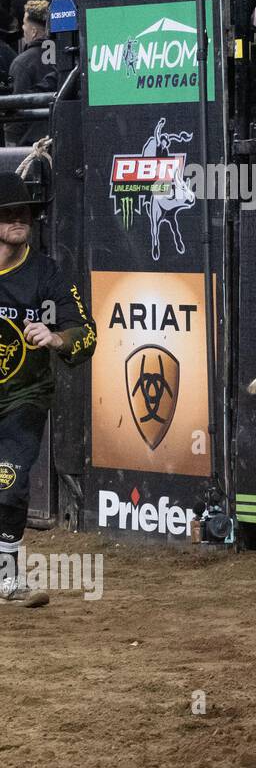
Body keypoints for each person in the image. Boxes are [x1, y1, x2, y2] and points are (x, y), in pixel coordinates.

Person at [0, 173, 97, 608]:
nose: (20, 219)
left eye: (25, 212)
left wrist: (56, 337)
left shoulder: (46, 273)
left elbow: (86, 331)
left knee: (8, 481)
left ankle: (7, 579)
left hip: (24, 396)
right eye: (8, 213)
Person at [5, 1, 58, 147]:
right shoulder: (69, 58)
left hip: (31, 146)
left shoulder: (22, 63)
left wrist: (11, 148)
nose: (22, 28)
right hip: (61, 138)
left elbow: (15, 110)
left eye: (24, 23)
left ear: (34, 31)